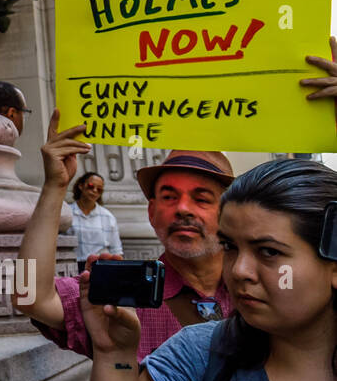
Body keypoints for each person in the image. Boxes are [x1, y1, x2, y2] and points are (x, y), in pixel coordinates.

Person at [75, 158, 337, 381]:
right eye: (230, 247)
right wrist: (114, 357)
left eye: (269, 252)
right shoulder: (195, 356)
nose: (239, 270)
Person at [16, 112, 236, 361]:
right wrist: (55, 186)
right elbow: (29, 295)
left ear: (230, 214)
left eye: (201, 198)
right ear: (152, 212)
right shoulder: (122, 296)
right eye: (169, 197)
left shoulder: (259, 288)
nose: (183, 208)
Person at [66, 172, 122, 272]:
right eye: (91, 186)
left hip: (100, 267)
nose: (94, 190)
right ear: (81, 186)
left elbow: (116, 250)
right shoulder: (66, 213)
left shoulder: (108, 217)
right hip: (71, 267)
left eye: (99, 189)